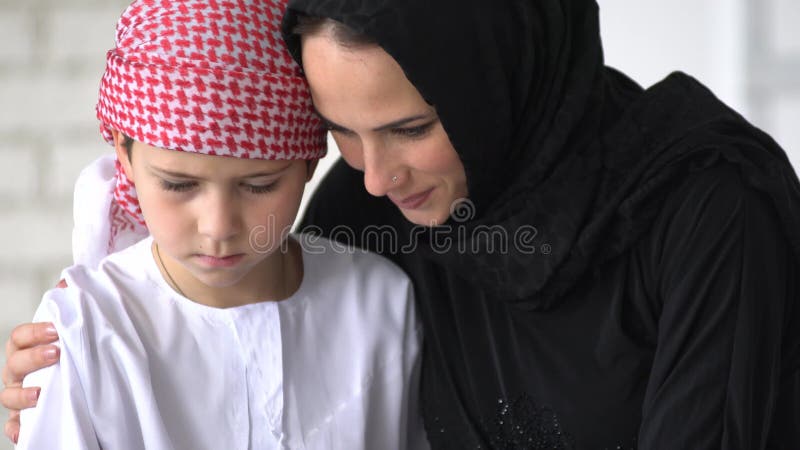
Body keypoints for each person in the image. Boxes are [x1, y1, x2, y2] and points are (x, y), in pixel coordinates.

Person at [5, 0, 800, 448]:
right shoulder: (370, 213)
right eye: (342, 133)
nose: (375, 176)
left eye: (412, 128)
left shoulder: (710, 210)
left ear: (500, 78)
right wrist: (81, 352)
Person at [3, 0, 427, 449]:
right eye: (178, 185)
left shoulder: (382, 302)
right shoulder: (83, 327)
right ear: (124, 156)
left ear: (308, 162)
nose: (219, 226)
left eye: (259, 185)